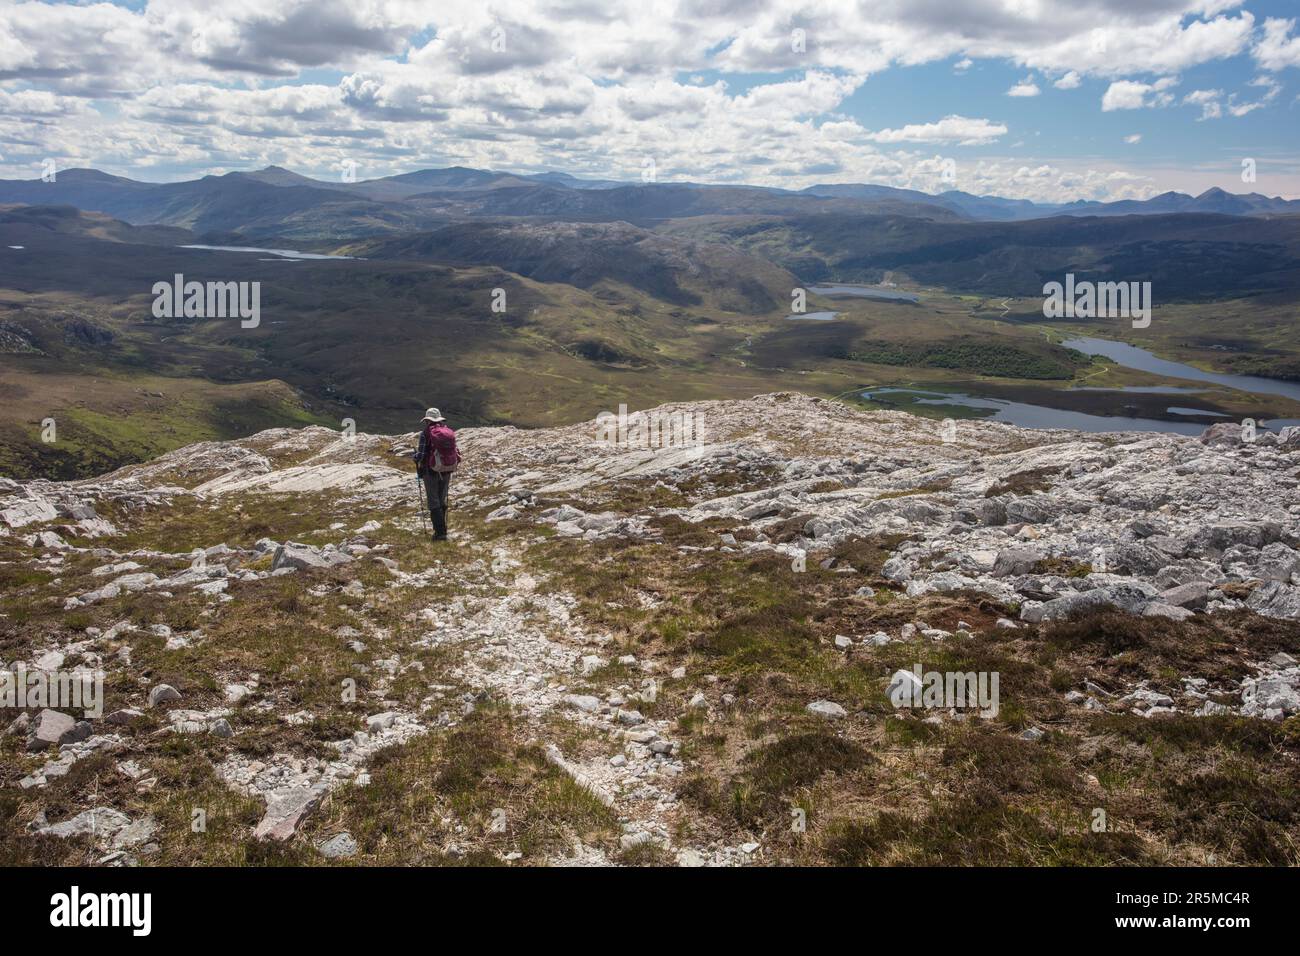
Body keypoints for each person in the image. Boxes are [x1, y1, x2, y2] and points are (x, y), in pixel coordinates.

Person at [412, 408, 461, 541]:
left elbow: (421, 455)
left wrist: (414, 457)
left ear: (427, 420)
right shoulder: (447, 432)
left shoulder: (425, 433)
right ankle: (443, 530)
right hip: (447, 469)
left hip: (431, 471)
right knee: (441, 499)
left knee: (433, 501)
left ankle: (440, 533)